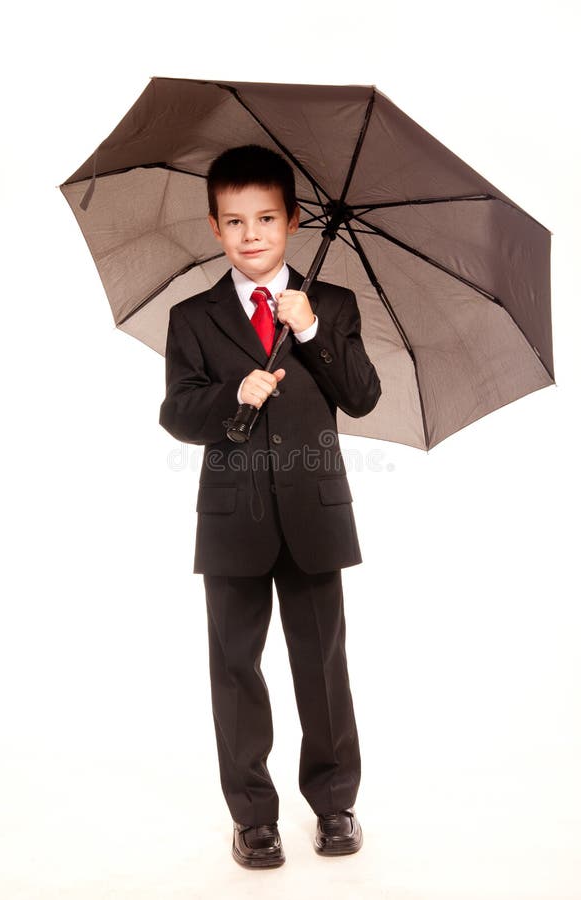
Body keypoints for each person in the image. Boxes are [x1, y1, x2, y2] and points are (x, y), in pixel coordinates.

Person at [159, 144, 381, 868]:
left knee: (323, 666)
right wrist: (235, 393)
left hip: (314, 515)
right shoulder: (192, 317)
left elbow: (363, 396)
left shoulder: (331, 305)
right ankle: (253, 816)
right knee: (235, 667)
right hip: (233, 521)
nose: (251, 234)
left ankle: (336, 804)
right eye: (234, 221)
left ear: (292, 221)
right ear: (215, 228)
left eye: (265, 218)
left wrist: (311, 331)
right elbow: (177, 412)